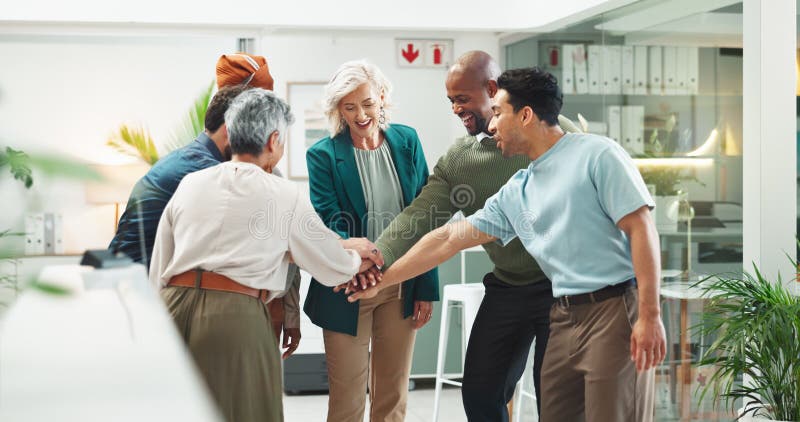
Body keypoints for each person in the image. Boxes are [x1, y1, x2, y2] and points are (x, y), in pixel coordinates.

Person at [348, 67, 667, 422]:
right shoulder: (520, 187)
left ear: (526, 115)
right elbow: (447, 238)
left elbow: (642, 230)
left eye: (499, 113)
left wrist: (650, 315)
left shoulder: (596, 153)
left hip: (612, 306)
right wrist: (380, 279)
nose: (493, 124)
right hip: (560, 310)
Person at [150, 88, 384, 422]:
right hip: (234, 318)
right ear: (274, 140)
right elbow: (330, 265)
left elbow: (161, 263)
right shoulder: (282, 194)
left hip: (173, 308)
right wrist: (360, 256)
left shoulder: (191, 183)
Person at [366, 51, 553, 421]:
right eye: (450, 101)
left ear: (493, 90)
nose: (455, 109)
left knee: (554, 395)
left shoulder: (548, 140)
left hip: (559, 287)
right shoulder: (459, 159)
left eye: (462, 99)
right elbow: (421, 216)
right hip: (508, 286)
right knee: (481, 393)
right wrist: (376, 257)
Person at [303, 59, 439, 422]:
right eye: (349, 107)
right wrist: (359, 266)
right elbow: (332, 220)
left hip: (400, 283)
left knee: (392, 397)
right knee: (347, 401)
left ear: (381, 97)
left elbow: (424, 212)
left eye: (367, 103)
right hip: (348, 286)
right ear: (338, 110)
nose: (361, 114)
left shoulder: (407, 141)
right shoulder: (323, 155)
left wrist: (426, 284)